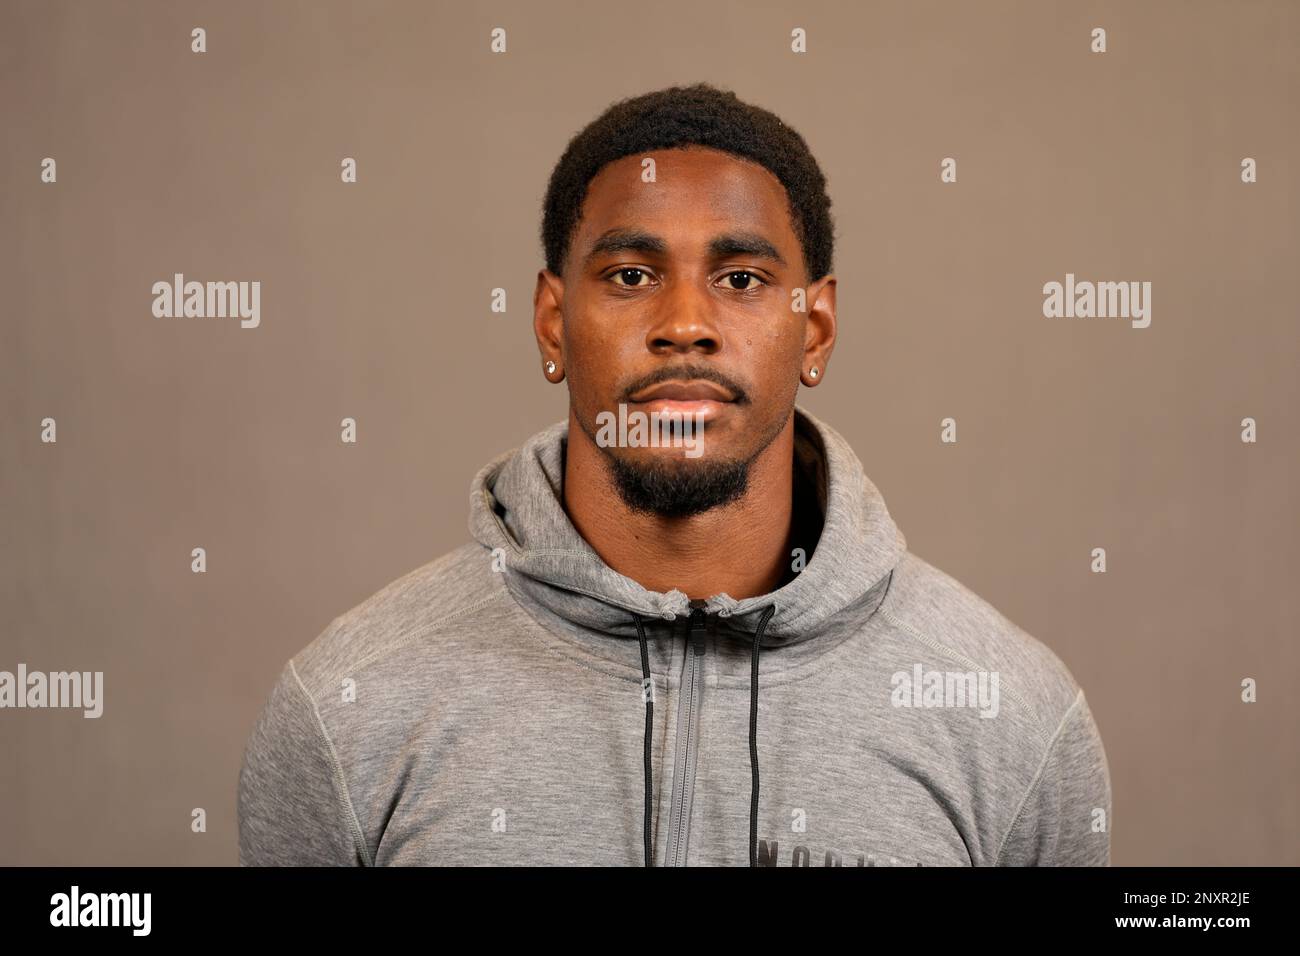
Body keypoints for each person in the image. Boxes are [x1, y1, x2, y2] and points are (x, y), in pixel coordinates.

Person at [237, 83, 1111, 867]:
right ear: (551, 323)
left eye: (740, 277)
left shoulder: (1011, 715)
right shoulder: (351, 706)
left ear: (816, 331)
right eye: (629, 275)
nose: (684, 323)